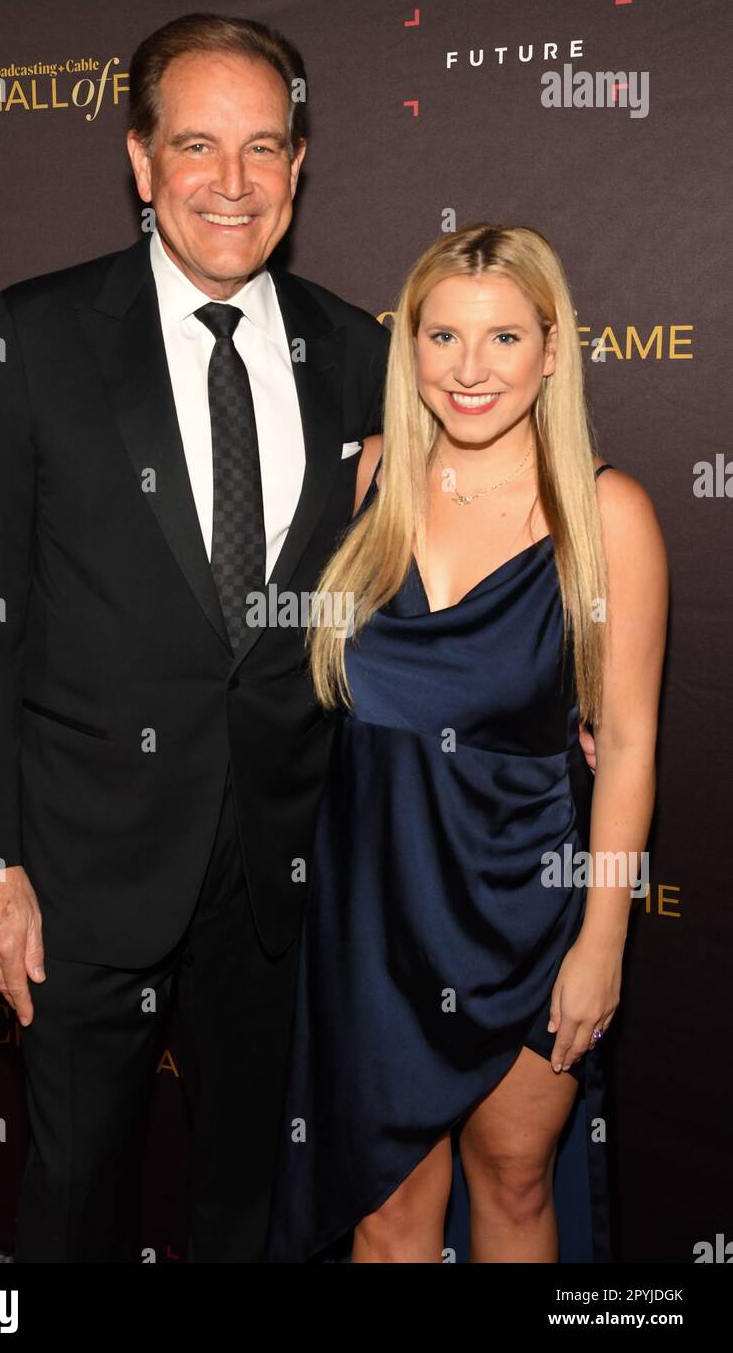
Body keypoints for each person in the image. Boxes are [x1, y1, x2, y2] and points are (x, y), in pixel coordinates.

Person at [0, 12, 391, 1263]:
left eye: (262, 147)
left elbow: (428, 567)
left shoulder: (358, 352)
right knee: (77, 1188)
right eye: (196, 145)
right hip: (80, 864)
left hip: (278, 870)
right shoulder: (31, 333)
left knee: (251, 1194)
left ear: (298, 166)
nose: (231, 183)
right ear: (140, 161)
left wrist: (548, 696)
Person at [266, 223, 668, 1264]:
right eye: (441, 337)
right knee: (388, 1212)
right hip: (370, 918)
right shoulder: (367, 487)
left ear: (549, 349)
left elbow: (624, 746)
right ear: (410, 352)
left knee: (513, 1179)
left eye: (500, 338)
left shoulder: (604, 513)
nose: (468, 369)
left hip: (524, 916)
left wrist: (601, 942)